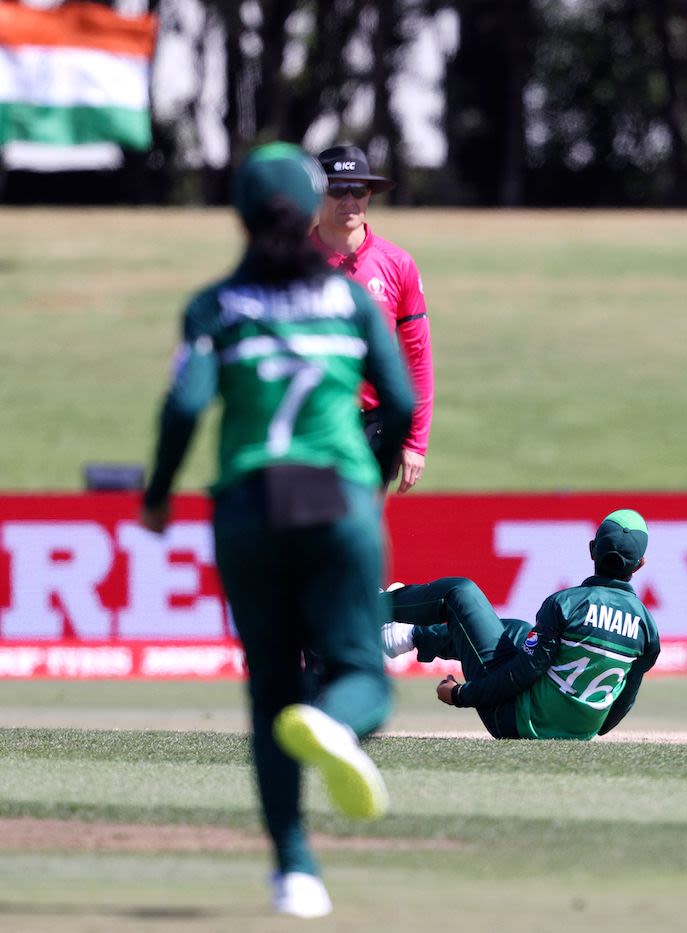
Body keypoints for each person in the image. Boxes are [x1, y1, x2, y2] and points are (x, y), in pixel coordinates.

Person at [138, 143, 415, 918]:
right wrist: (373, 474)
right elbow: (397, 399)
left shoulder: (214, 305)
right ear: (311, 207)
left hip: (251, 505)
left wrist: (158, 496)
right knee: (363, 673)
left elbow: (186, 407)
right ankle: (334, 723)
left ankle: (296, 870)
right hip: (337, 499)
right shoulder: (353, 302)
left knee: (268, 692)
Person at [380, 510, 660, 740]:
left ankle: (371, 607)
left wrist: (460, 694)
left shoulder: (565, 603)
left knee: (460, 593)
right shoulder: (647, 627)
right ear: (640, 564)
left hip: (513, 720)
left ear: (592, 550)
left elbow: (526, 671)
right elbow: (620, 706)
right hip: (578, 732)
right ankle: (408, 635)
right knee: (519, 631)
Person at [311, 143, 434, 493]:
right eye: (337, 189)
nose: (349, 200)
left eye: (359, 190)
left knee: (359, 530)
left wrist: (415, 442)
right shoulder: (294, 262)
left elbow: (418, 358)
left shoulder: (398, 264)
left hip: (375, 427)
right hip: (312, 421)